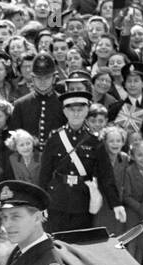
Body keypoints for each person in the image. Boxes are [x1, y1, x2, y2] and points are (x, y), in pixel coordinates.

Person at [37, 77, 125, 232]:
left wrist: (116, 203)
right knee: (55, 244)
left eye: (80, 110)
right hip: (57, 199)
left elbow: (106, 175)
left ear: (86, 111)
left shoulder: (95, 141)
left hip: (82, 202)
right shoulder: (56, 138)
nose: (76, 114)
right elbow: (44, 173)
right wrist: (41, 203)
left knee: (79, 244)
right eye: (71, 110)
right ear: (64, 111)